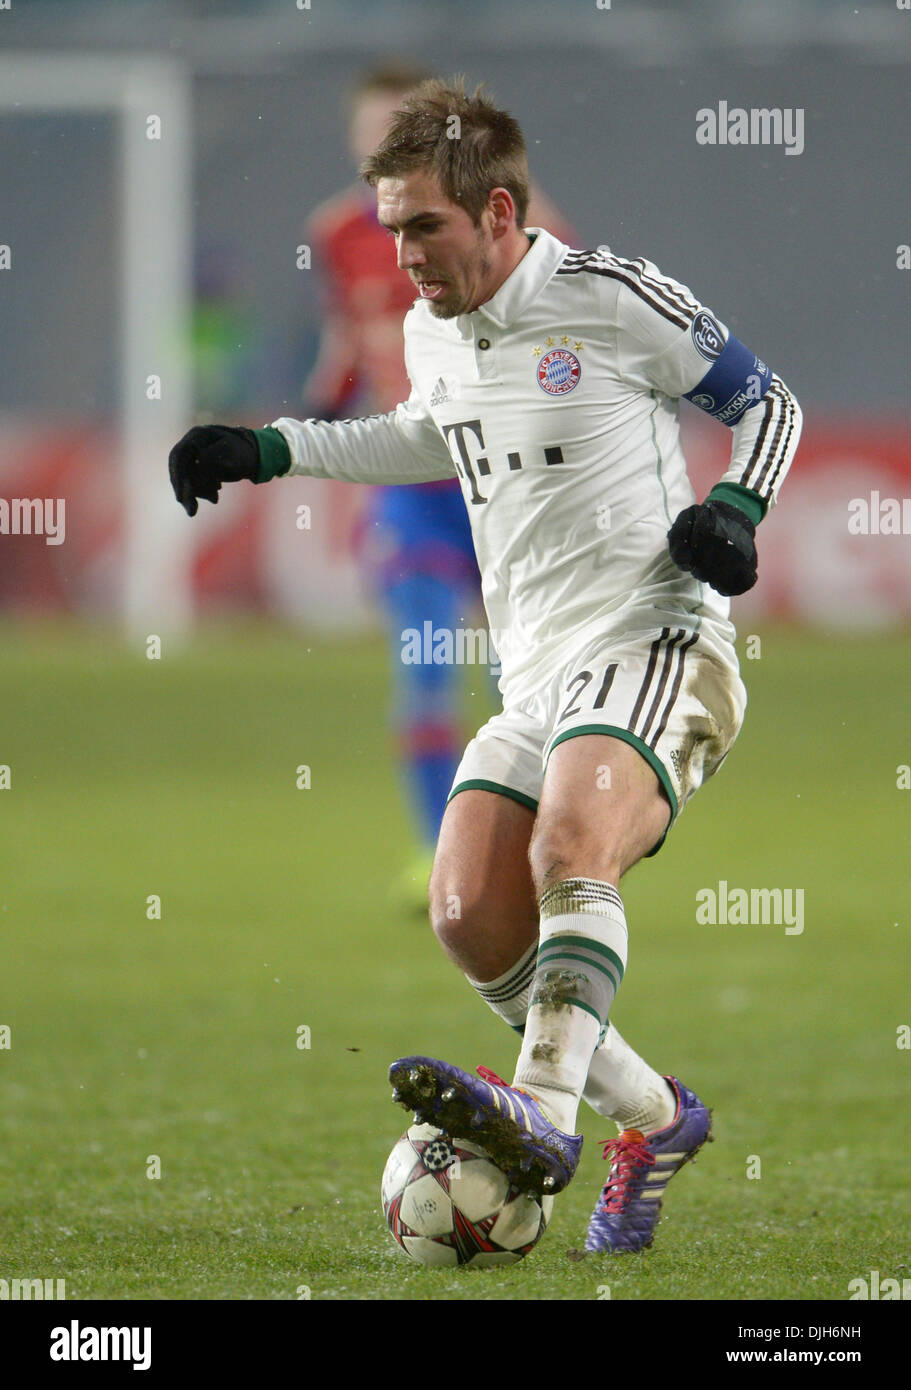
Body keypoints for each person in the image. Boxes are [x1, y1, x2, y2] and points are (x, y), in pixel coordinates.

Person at [169, 76, 802, 1256]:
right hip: (537, 673)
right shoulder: (429, 328)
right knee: (470, 918)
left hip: (655, 639)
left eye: (423, 227)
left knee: (570, 845)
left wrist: (734, 504)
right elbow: (425, 433)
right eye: (391, 225)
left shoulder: (610, 297)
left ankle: (542, 1115)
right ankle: (657, 1119)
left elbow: (767, 400)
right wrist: (267, 446)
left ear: (500, 213)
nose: (399, 252)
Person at [304, 64, 576, 907]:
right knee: (423, 671)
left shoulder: (511, 219)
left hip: (504, 483)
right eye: (370, 131)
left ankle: (535, 857)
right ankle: (437, 861)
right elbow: (350, 340)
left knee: (516, 681)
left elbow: (567, 331)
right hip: (413, 487)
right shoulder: (334, 233)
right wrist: (309, 423)